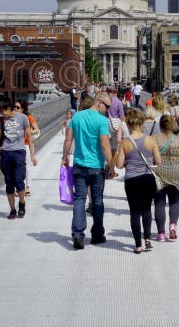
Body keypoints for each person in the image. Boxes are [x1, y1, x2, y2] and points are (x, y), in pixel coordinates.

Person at [61, 91, 114, 250]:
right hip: (96, 168)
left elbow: (68, 139)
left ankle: (77, 234)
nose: (108, 110)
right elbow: (105, 145)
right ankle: (97, 235)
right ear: (99, 103)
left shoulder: (76, 117)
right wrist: (111, 165)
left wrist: (65, 158)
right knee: (97, 201)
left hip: (79, 165)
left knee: (79, 199)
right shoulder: (102, 121)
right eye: (107, 106)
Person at [115, 108, 161, 254]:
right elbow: (158, 161)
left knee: (134, 212)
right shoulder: (150, 140)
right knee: (146, 209)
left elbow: (119, 165)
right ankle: (148, 239)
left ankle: (138, 245)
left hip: (132, 180)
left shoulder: (125, 142)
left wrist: (130, 162)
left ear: (128, 124)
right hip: (148, 178)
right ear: (142, 123)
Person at [152, 114, 179, 241]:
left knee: (159, 203)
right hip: (177, 173)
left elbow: (148, 158)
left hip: (159, 173)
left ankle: (161, 234)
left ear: (160, 126)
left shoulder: (154, 139)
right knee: (175, 202)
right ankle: (173, 226)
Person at [0, 100, 36, 219]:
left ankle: (21, 203)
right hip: (6, 153)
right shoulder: (2, 120)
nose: (2, 113)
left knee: (19, 180)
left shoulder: (23, 117)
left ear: (9, 108)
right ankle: (13, 210)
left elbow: (29, 136)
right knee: (9, 184)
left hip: (19, 152)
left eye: (3, 111)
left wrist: (32, 155)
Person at [15, 99, 39, 196]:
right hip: (15, 146)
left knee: (27, 167)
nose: (15, 109)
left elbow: (36, 130)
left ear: (23, 108)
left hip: (26, 145)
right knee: (17, 167)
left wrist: (26, 132)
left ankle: (27, 187)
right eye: (14, 107)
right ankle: (20, 187)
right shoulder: (12, 118)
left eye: (18, 107)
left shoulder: (28, 117)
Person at [106, 87, 127, 157]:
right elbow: (122, 117)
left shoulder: (104, 101)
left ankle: (107, 161)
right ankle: (112, 163)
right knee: (114, 147)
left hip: (105, 123)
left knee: (106, 144)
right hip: (115, 125)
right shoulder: (118, 102)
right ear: (115, 93)